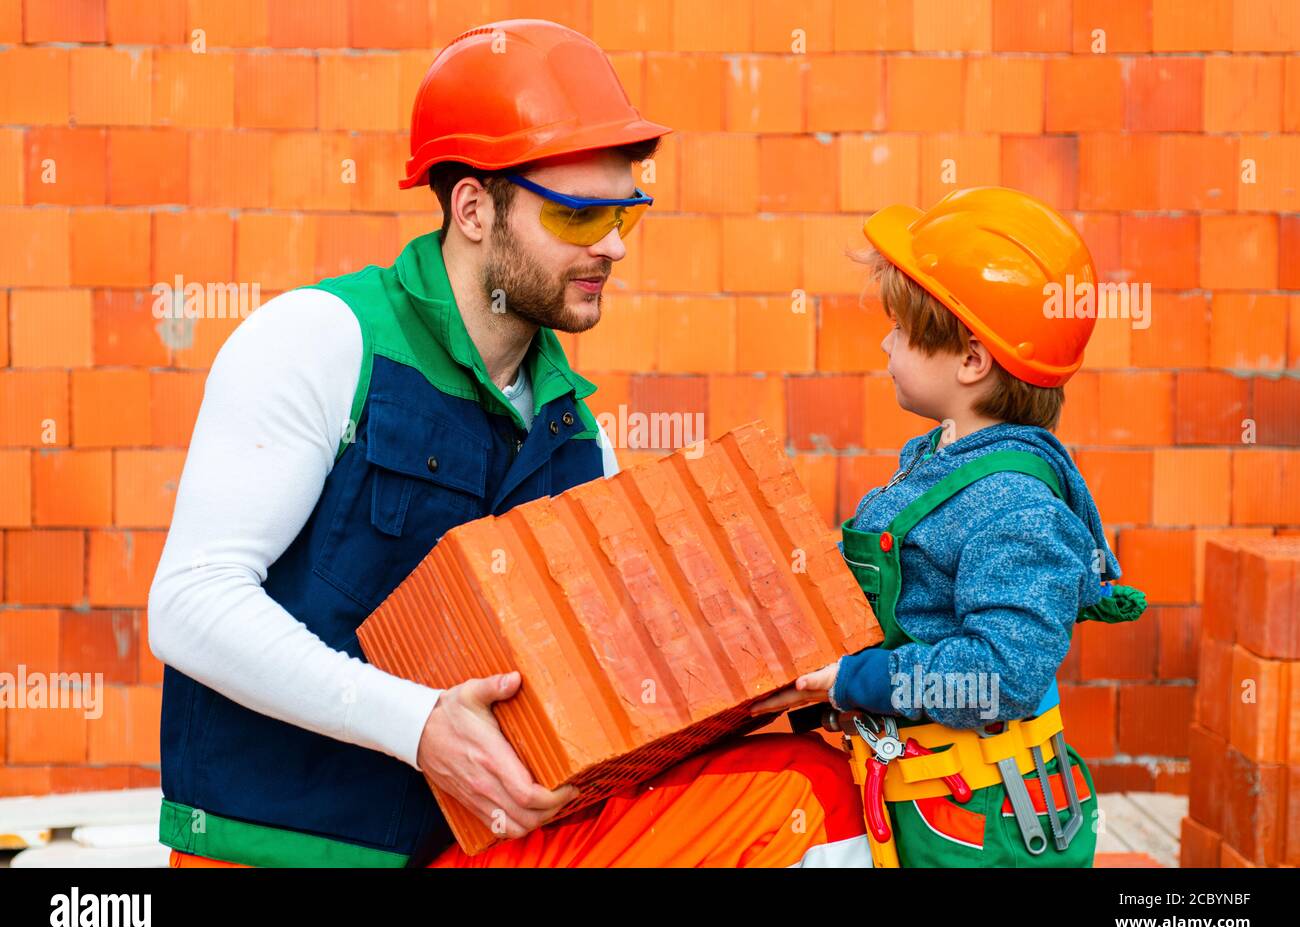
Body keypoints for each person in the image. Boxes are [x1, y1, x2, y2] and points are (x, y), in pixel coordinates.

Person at [152, 18, 868, 869]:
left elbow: (602, 702)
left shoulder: (574, 436)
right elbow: (189, 606)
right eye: (576, 215)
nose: (609, 243)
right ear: (473, 207)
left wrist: (747, 685)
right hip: (281, 851)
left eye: (623, 216)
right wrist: (416, 726)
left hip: (472, 847)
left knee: (812, 787)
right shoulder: (322, 340)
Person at [752, 187, 1147, 867]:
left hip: (975, 831)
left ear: (971, 359)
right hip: (917, 800)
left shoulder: (1018, 509)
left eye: (901, 331)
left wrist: (859, 679)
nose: (885, 341)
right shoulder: (939, 460)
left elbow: (998, 675)